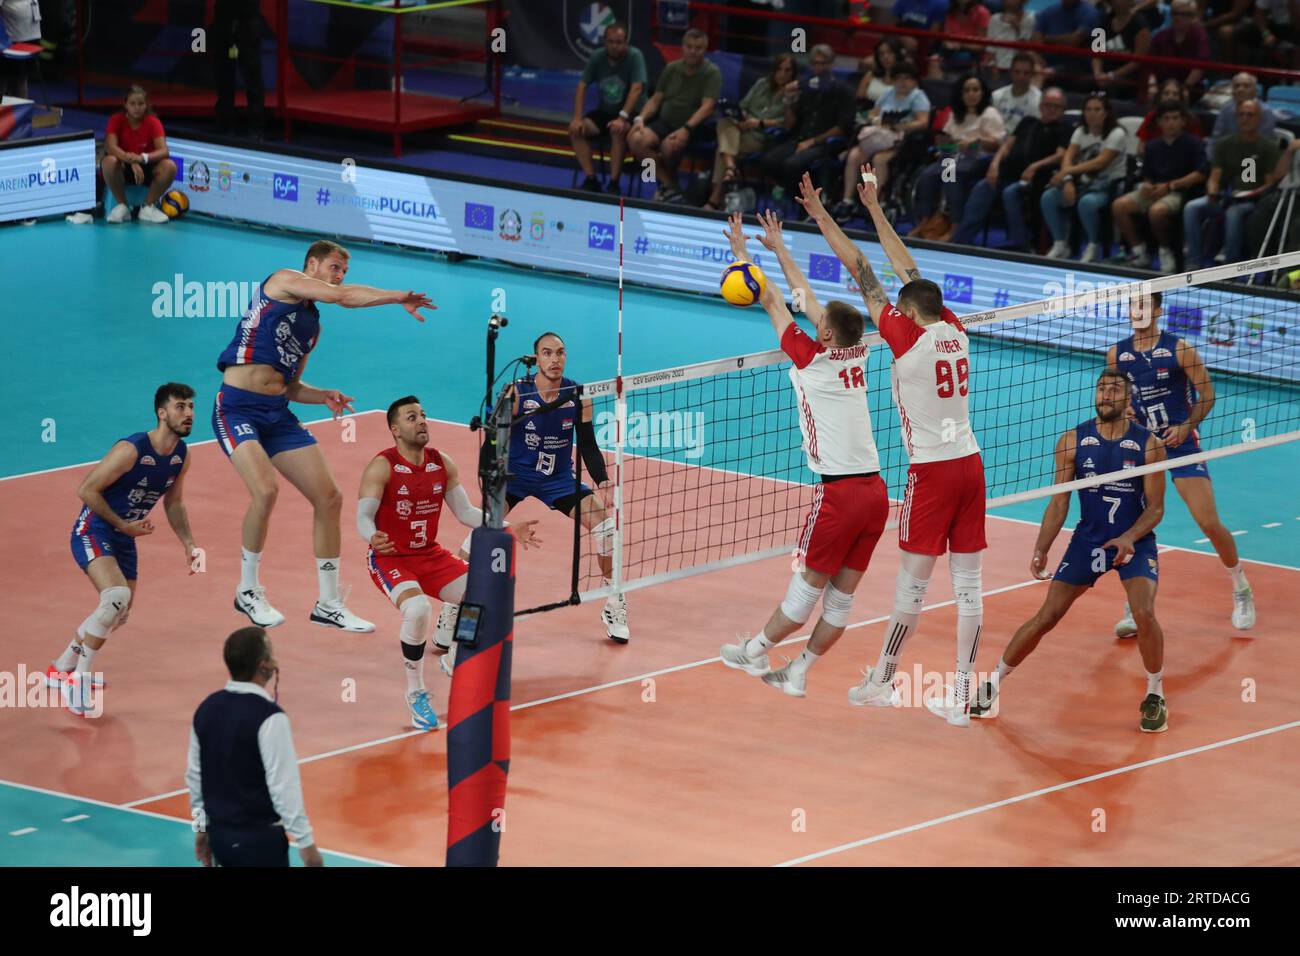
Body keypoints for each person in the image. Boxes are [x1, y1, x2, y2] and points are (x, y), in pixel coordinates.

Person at [801, 168, 987, 726]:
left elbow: (862, 271)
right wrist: (877, 208)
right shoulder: (953, 326)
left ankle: (882, 679)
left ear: (905, 315)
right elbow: (909, 271)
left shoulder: (905, 333)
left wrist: (821, 215)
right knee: (969, 588)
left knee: (912, 585)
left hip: (931, 473)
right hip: (971, 464)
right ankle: (961, 695)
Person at [216, 240, 433, 632]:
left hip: (276, 414)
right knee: (265, 490)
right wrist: (396, 296)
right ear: (312, 264)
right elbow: (344, 297)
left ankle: (329, 603)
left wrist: (323, 396)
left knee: (329, 497)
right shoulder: (284, 281)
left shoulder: (311, 326)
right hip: (236, 408)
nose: (339, 276)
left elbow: (290, 386)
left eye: (343, 271)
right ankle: (248, 590)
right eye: (334, 267)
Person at [718, 211, 889, 698]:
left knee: (807, 589)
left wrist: (744, 257)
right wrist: (782, 251)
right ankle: (798, 672)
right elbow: (808, 300)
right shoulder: (859, 350)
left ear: (826, 335)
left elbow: (773, 298)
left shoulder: (811, 358)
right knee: (841, 600)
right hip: (877, 493)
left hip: (839, 496)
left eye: (820, 326)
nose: (814, 326)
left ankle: (754, 652)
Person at [969, 370, 1170, 734]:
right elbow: (1059, 500)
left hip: (1135, 543)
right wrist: (1041, 548)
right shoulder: (1073, 441)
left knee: (1143, 611)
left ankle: (1155, 693)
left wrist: (1129, 538)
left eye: (1115, 390)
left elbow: (1156, 508)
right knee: (1047, 616)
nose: (1106, 395)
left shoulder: (1149, 445)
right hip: (1088, 541)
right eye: (1102, 389)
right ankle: (992, 685)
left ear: (1128, 400)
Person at [358, 396, 539, 731]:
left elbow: (467, 513)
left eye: (424, 415)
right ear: (395, 430)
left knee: (483, 595)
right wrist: (372, 536)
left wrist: (508, 526)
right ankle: (416, 693)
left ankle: (457, 655)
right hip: (390, 558)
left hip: (429, 554)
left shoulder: (442, 463)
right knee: (418, 611)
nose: (422, 421)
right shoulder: (382, 466)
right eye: (412, 418)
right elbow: (363, 516)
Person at [459, 332, 627, 643]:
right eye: (547, 353)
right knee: (481, 536)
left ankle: (615, 603)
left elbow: (588, 446)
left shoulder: (578, 394)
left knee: (607, 528)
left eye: (560, 353)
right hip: (514, 476)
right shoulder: (516, 394)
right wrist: (489, 483)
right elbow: (493, 441)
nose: (555, 359)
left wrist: (603, 481)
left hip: (558, 479)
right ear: (536, 359)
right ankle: (451, 610)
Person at [1107, 291, 1256, 633]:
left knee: (1208, 522)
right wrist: (1123, 410)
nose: (1137, 311)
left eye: (1145, 305)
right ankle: (1135, 607)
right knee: (1135, 527)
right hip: (1144, 448)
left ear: (1158, 311)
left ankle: (1241, 587)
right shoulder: (1118, 353)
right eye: (1133, 305)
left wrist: (1186, 426)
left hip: (1182, 445)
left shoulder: (1179, 349)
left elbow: (1208, 394)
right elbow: (1115, 399)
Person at [53, 383, 199, 717]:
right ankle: (77, 679)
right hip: (95, 528)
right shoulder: (132, 449)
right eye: (180, 407)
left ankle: (60, 667)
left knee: (118, 613)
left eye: (191, 406)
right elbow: (86, 489)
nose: (188, 413)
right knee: (115, 596)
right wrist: (122, 525)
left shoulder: (181, 455)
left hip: (124, 535)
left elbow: (174, 503)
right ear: (162, 413)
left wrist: (189, 544)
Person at [187, 627, 323, 867]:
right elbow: (283, 787)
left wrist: (200, 828)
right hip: (260, 844)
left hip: (221, 839)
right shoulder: (271, 717)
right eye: (271, 655)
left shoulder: (206, 708)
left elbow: (194, 777)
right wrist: (306, 844)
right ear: (263, 666)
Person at [954, 86, 1071, 249]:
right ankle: (961, 241)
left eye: (1056, 106)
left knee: (1010, 193)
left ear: (1063, 110)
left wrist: (1034, 166)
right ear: (1040, 105)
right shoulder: (1027, 122)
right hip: (1007, 173)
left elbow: (1060, 155)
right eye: (1047, 105)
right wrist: (994, 165)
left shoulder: (1065, 129)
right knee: (983, 187)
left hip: (1035, 178)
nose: (1051, 109)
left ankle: (1021, 245)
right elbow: (1006, 146)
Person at [1183, 99, 1286, 266]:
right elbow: (1214, 177)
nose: (1245, 118)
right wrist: (1212, 191)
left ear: (1259, 118)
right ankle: (1193, 262)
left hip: (1253, 201)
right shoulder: (1224, 144)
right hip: (1226, 196)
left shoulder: (1268, 147)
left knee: (1233, 213)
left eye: (1250, 115)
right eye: (1241, 115)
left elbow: (1270, 183)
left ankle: (1231, 267)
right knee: (1192, 208)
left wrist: (1250, 194)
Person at [627, 27, 722, 204]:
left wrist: (686, 129)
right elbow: (656, 99)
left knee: (669, 147)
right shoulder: (671, 68)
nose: (693, 52)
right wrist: (640, 119)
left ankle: (668, 189)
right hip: (665, 122)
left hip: (694, 127)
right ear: (683, 47)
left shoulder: (712, 72)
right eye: (689, 47)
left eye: (698, 48)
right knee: (636, 139)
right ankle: (671, 186)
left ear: (705, 49)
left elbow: (708, 107)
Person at [910, 73, 1007, 242]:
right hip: (951, 156)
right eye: (967, 90)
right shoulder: (956, 114)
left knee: (950, 176)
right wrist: (944, 142)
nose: (971, 94)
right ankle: (925, 221)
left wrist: (975, 141)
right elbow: (947, 137)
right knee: (926, 176)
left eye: (975, 90)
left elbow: (998, 143)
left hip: (978, 158)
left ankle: (954, 226)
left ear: (983, 92)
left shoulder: (990, 113)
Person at [1110, 103, 1207, 271]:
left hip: (1178, 192)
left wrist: (1170, 186)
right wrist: (1147, 185)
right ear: (1159, 123)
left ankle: (1165, 250)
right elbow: (1147, 175)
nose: (1171, 123)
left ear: (1183, 121)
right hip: (1154, 190)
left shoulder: (1194, 143)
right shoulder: (1152, 146)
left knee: (1157, 212)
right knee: (1119, 206)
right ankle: (1139, 251)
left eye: (1175, 118)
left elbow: (1200, 174)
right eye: (1166, 119)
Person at [831, 63, 930, 222]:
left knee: (879, 159)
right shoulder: (889, 93)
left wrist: (898, 126)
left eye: (907, 78)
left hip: (903, 141)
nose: (903, 82)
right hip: (879, 137)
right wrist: (874, 119)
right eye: (899, 78)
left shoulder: (918, 97)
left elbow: (923, 122)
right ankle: (847, 200)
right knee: (855, 155)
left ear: (914, 81)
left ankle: (874, 203)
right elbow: (873, 113)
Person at [761, 44, 855, 202]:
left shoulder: (843, 91)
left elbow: (842, 127)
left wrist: (812, 141)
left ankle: (803, 203)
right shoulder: (805, 88)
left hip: (824, 144)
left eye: (823, 63)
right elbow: (791, 124)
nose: (819, 67)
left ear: (831, 64)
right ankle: (788, 193)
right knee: (769, 160)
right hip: (800, 139)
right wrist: (787, 101)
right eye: (815, 63)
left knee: (792, 165)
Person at [1041, 92, 1127, 262]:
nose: (1092, 114)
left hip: (1108, 185)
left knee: (1086, 203)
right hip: (1081, 182)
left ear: (1106, 112)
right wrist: (1066, 181)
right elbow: (1068, 156)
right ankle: (1060, 244)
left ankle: (1093, 245)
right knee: (1049, 197)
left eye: (1097, 109)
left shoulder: (1117, 133)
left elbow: (1099, 163)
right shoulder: (1080, 131)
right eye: (1088, 109)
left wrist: (1066, 173)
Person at [704, 52, 795, 211]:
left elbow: (787, 125)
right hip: (740, 130)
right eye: (779, 69)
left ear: (793, 73)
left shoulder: (793, 94)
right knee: (724, 122)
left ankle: (716, 195)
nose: (782, 74)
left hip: (761, 137)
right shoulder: (762, 84)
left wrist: (759, 123)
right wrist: (743, 116)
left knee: (723, 150)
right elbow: (744, 105)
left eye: (787, 70)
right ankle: (729, 172)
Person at [569, 21, 646, 195]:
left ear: (626, 43)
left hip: (631, 113)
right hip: (605, 112)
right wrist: (577, 117)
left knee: (617, 130)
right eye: (610, 41)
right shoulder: (598, 57)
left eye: (618, 42)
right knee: (576, 130)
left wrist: (622, 117)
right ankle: (591, 179)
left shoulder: (635, 56)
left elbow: (637, 89)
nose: (614, 46)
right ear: (605, 43)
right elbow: (582, 86)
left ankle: (614, 183)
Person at [102, 86, 178, 224]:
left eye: (141, 104)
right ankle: (122, 206)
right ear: (125, 104)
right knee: (109, 162)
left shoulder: (153, 122)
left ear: (146, 105)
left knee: (170, 166)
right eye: (132, 104)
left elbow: (164, 151)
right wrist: (131, 161)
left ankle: (147, 207)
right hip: (123, 169)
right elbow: (110, 146)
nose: (137, 108)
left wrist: (142, 158)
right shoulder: (116, 120)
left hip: (147, 169)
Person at [212, 0, 265, 136]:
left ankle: (256, 127)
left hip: (248, 22)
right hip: (224, 20)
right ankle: (223, 122)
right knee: (224, 74)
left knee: (252, 75)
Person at [1148, 0, 1211, 102]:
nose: (1179, 18)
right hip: (1162, 86)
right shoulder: (1160, 36)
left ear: (1193, 17)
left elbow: (1200, 66)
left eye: (1185, 14)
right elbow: (1149, 65)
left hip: (1190, 87)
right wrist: (1152, 84)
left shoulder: (1200, 36)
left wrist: (1185, 88)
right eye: (1175, 13)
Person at [1091, 0, 1152, 100]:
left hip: (1127, 75)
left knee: (1111, 89)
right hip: (1104, 72)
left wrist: (1112, 75)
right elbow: (1096, 52)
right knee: (1085, 83)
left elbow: (1137, 61)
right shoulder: (1103, 21)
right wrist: (1097, 73)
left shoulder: (1139, 24)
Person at [1036, 0, 1103, 87]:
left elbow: (1073, 40)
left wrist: (1047, 39)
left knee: (1044, 73)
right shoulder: (1049, 11)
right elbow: (1036, 38)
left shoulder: (1091, 13)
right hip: (1046, 61)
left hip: (1075, 66)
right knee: (1028, 62)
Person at [1208, 73, 1278, 148]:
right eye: (1236, 86)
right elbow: (1216, 138)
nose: (1240, 89)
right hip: (1226, 155)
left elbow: (1263, 144)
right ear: (1232, 91)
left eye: (1246, 86)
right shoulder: (1226, 108)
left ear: (1254, 91)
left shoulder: (1265, 112)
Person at [929, 0, 992, 77]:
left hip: (972, 54)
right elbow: (947, 36)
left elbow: (982, 45)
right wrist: (947, 43)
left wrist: (962, 45)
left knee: (963, 57)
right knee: (934, 60)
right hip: (949, 50)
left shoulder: (982, 13)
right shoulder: (949, 9)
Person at [1135, 78, 1206, 146]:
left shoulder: (1192, 120)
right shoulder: (1151, 116)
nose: (1170, 97)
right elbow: (1141, 148)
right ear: (1160, 96)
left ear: (1180, 98)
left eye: (1175, 94)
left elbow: (1198, 148)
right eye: (1166, 93)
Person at [986, 0, 1042, 77]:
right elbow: (990, 50)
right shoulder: (994, 19)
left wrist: (1018, 29)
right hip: (999, 69)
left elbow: (1029, 49)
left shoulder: (1031, 19)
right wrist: (993, 67)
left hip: (1021, 70)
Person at [991, 53, 1042, 136]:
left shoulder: (1039, 100)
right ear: (1011, 72)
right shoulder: (996, 96)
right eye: (1017, 72)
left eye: (1026, 73)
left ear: (1032, 74)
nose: (1021, 77)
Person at [0, 0, 40, 97]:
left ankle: (21, 108)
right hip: (12, 39)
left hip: (33, 34)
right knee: (6, 77)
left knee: (23, 77)